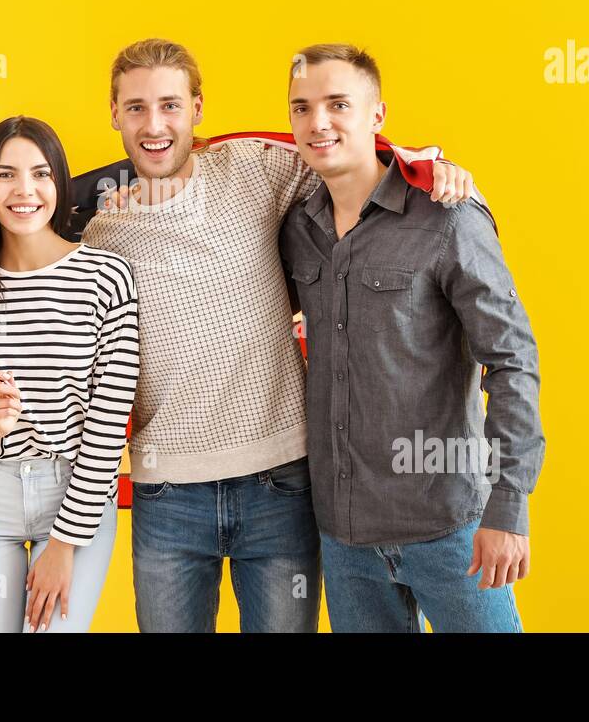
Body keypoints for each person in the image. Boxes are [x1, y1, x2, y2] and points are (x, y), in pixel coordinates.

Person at [79, 38, 477, 632]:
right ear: (113, 114)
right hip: (167, 493)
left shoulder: (254, 170)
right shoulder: (95, 227)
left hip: (281, 480)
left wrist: (429, 167)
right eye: (135, 108)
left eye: (170, 105)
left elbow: (346, 152)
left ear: (198, 109)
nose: (154, 124)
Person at [279, 43, 543, 632]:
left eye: (338, 104)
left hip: (450, 527)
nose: (318, 122)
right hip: (345, 537)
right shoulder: (297, 228)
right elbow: (213, 155)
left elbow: (512, 361)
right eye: (301, 108)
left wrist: (509, 506)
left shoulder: (447, 216)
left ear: (377, 117)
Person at [0, 116, 139, 633]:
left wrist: (64, 544)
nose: (24, 191)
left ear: (59, 184)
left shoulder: (106, 277)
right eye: (5, 175)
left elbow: (108, 427)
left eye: (40, 174)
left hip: (74, 495)